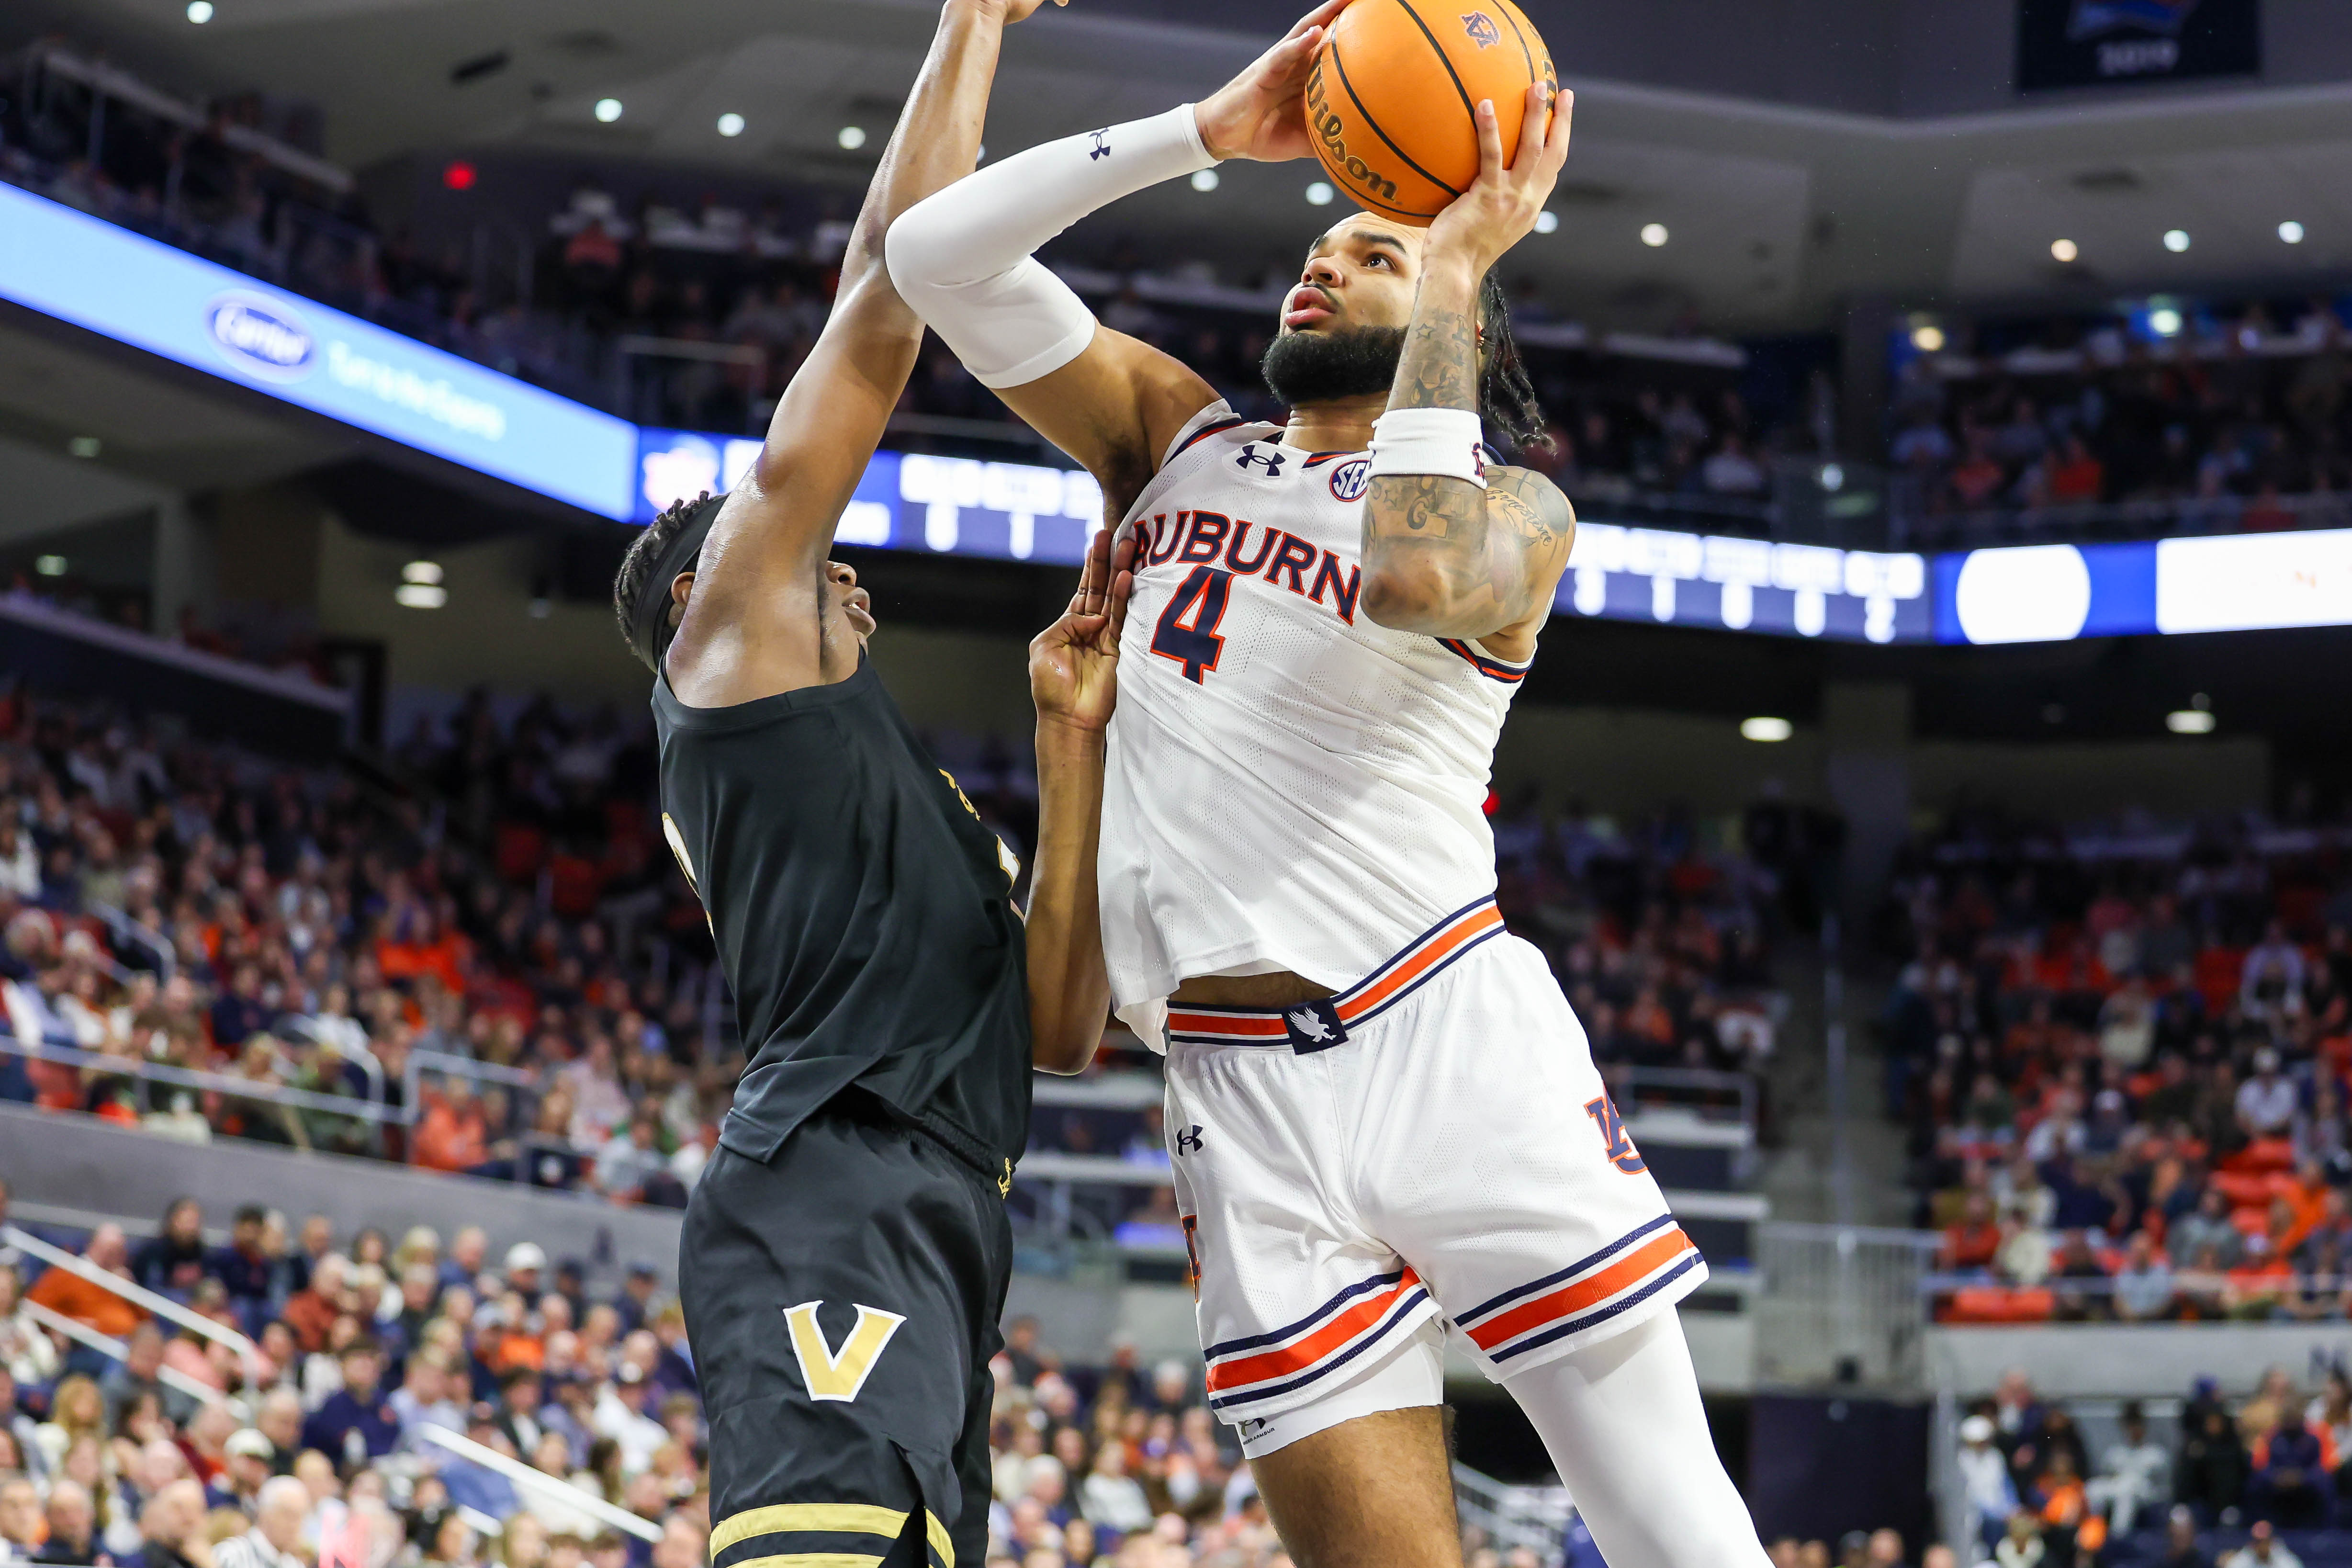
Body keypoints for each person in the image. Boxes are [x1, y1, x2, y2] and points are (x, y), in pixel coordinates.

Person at [884, 11, 1765, 1566]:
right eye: (1320, 244)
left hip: (1446, 1034)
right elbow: (933, 259)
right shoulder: (1176, 440)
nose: (1321, 264)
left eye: (1368, 250)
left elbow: (1419, 574)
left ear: (1454, 327)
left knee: (1675, 1533)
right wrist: (1201, 133)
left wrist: (1454, 262)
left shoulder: (1521, 511)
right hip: (1234, 1089)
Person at [609, 3, 1128, 1567]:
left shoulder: (884, 789)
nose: (829, 545)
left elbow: (1062, 1026)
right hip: (833, 1176)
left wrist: (1068, 744)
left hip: (942, 1191)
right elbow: (884, 301)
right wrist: (972, 23)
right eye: (790, 538)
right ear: (712, 597)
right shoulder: (725, 659)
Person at [208, 1478, 306, 1568]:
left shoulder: (295, 1565)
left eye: (300, 1517)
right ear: (264, 1513)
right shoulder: (230, 1556)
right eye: (288, 1515)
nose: (294, 1525)